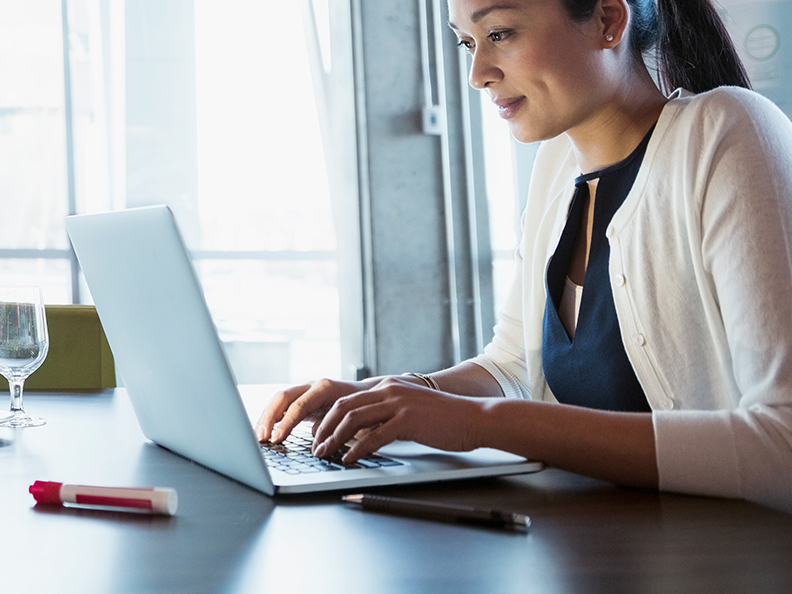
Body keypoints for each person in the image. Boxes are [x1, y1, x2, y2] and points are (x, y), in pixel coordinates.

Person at [256, 0, 792, 513]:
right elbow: (513, 364)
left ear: (608, 20)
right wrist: (392, 397)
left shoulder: (727, 131)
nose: (478, 73)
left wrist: (482, 422)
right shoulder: (558, 163)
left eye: (499, 34)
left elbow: (781, 440)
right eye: (467, 42)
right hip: (599, 550)